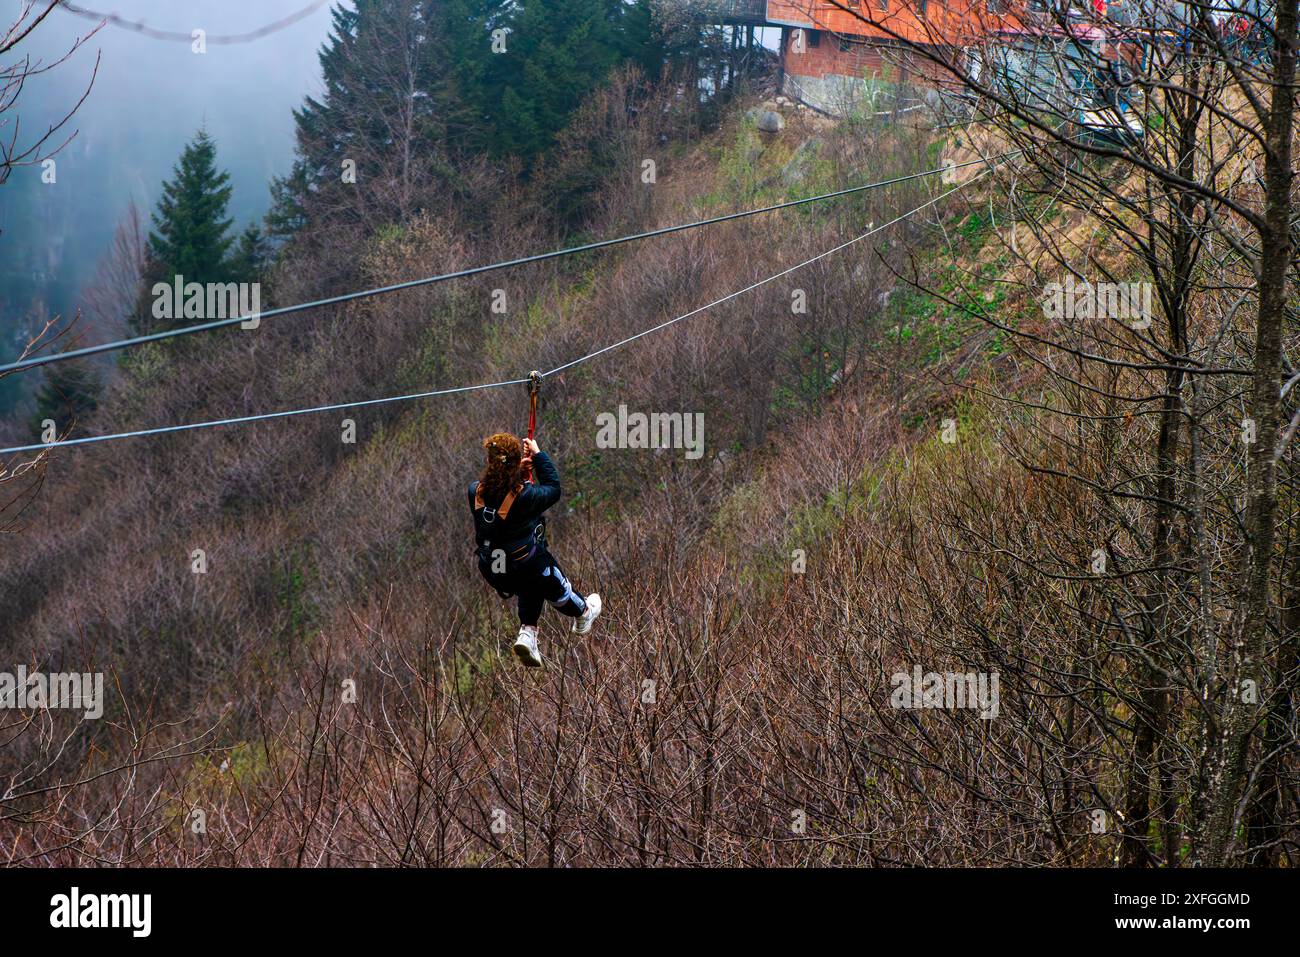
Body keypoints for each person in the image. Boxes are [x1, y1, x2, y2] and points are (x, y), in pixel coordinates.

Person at [468, 432, 601, 666]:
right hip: (526, 564)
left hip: (493, 568)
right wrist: (539, 456)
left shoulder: (475, 491)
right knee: (548, 581)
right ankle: (583, 612)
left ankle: (528, 633)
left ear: (490, 461)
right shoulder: (525, 496)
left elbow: (501, 493)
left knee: (529, 585)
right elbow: (553, 488)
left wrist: (516, 471)